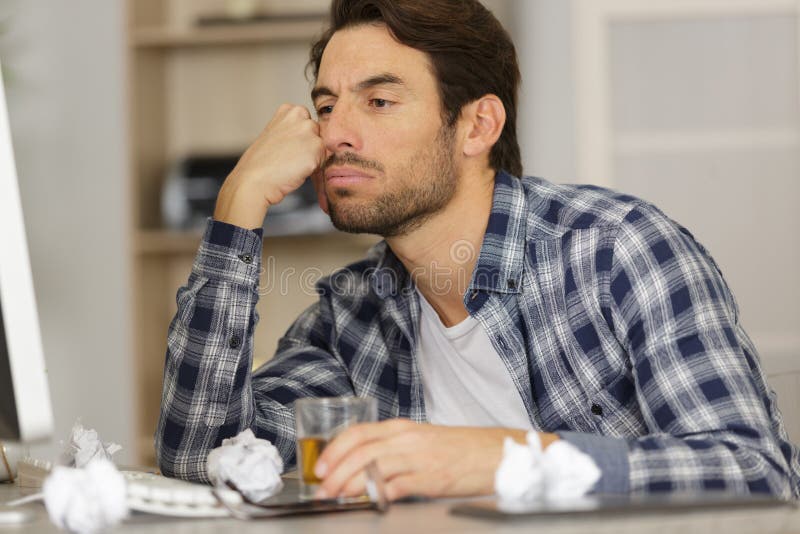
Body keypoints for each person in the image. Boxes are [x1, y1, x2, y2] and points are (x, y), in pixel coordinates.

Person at [156, 0, 800, 501]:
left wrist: (503, 458)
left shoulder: (618, 253)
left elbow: (758, 475)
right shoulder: (349, 319)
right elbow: (198, 456)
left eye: (379, 101)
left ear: (478, 125)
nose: (336, 135)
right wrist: (236, 205)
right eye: (325, 106)